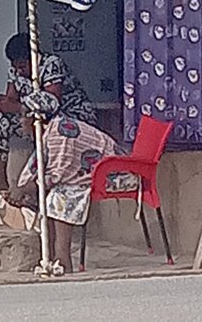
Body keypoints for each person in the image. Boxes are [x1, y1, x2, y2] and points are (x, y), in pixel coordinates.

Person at [8, 90, 132, 273]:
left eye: (23, 116)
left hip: (115, 174)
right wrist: (21, 190)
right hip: (86, 173)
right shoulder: (49, 133)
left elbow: (57, 175)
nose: (20, 121)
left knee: (61, 195)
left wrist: (24, 189)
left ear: (37, 119)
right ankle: (47, 256)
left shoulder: (61, 133)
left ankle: (62, 257)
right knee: (48, 194)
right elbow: (37, 168)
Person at [0, 32, 96, 193]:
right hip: (33, 119)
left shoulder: (52, 64)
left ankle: (45, 179)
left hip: (69, 119)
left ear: (32, 57)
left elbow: (52, 103)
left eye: (22, 66)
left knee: (44, 115)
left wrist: (19, 107)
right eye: (15, 67)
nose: (18, 71)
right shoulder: (15, 71)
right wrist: (4, 105)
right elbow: (12, 98)